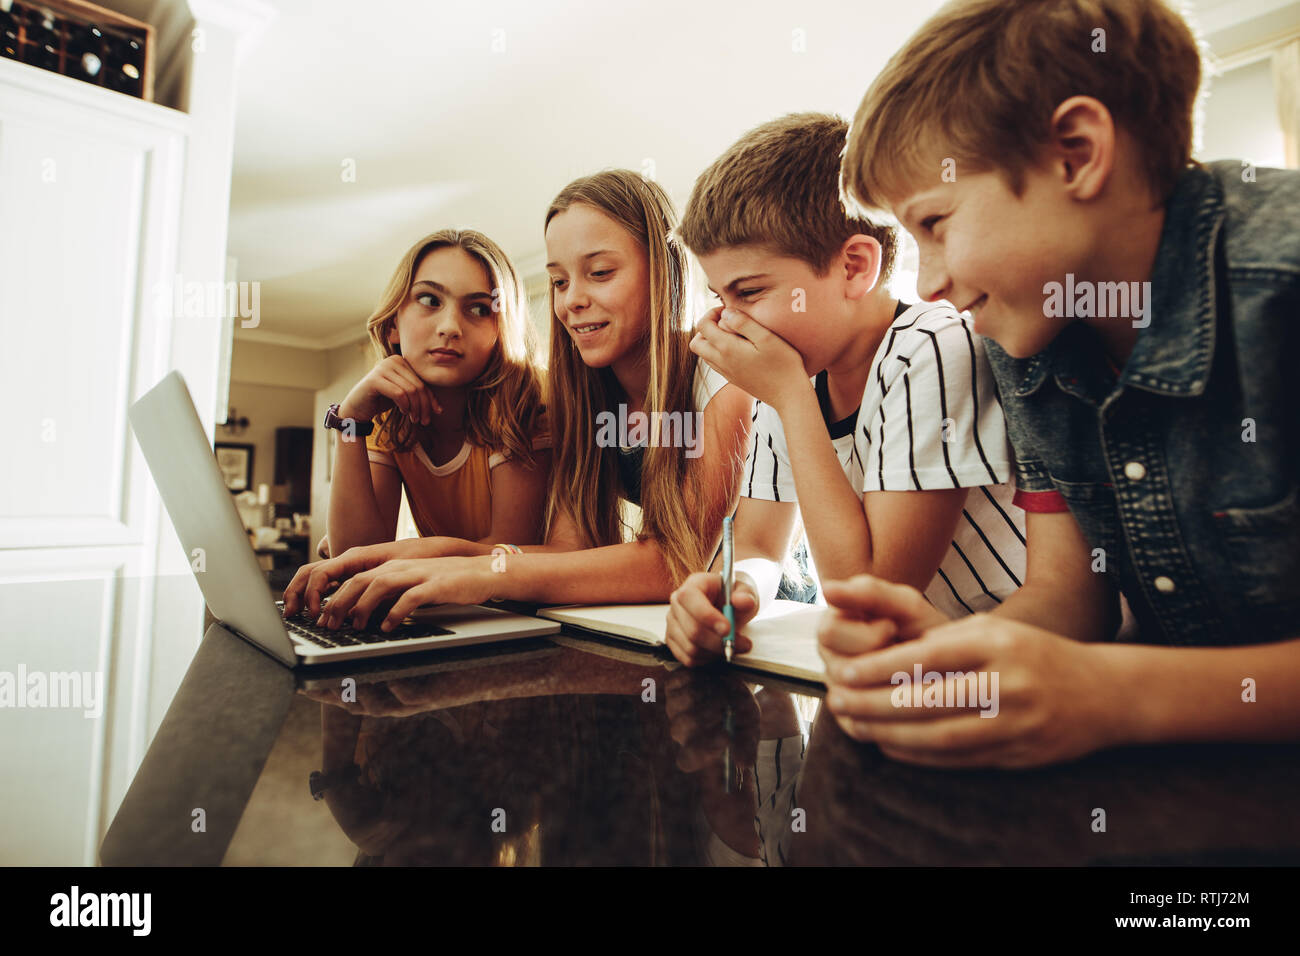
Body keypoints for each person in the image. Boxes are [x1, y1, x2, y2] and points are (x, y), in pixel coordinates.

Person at [820, 0, 1300, 766]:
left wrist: (1113, 693)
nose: (932, 281)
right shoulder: (1030, 331)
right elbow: (1070, 597)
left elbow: (1101, 673)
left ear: (1076, 153)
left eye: (935, 223)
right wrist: (959, 657)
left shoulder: (1282, 281)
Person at [282, 170, 753, 627]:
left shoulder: (719, 371)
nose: (571, 302)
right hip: (684, 625)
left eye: (601, 273)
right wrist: (408, 555)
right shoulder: (589, 396)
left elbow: (676, 561)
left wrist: (480, 571)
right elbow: (571, 551)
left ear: (664, 271)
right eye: (559, 282)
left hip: (766, 625)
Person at [666, 112, 1024, 666]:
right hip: (909, 668)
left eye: (750, 292)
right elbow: (762, 543)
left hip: (1009, 661)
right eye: (720, 297)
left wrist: (790, 398)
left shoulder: (930, 346)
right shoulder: (787, 373)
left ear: (855, 267)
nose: (729, 323)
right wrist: (736, 588)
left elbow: (868, 593)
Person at [319, 229, 550, 563]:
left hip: (538, 608)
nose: (450, 327)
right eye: (430, 300)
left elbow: (506, 553)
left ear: (500, 331)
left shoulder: (524, 397)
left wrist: (400, 556)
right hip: (452, 605)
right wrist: (351, 421)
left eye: (480, 309)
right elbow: (354, 557)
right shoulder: (384, 412)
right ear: (393, 325)